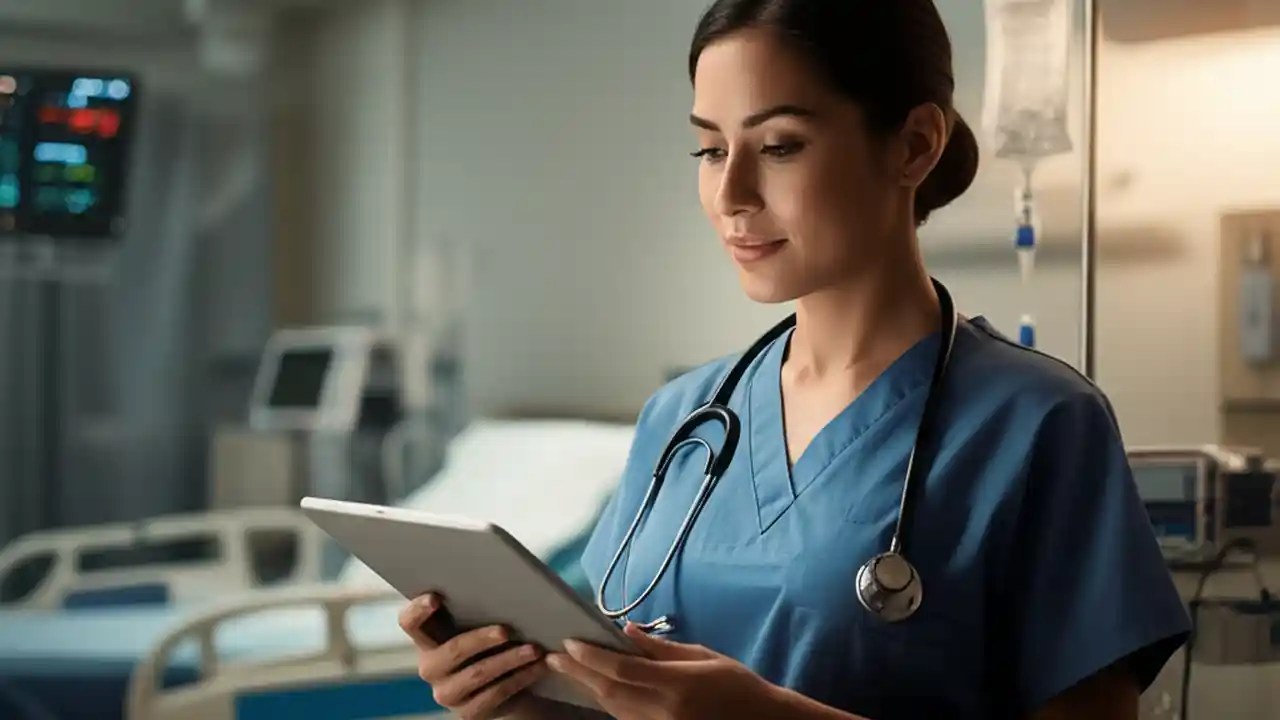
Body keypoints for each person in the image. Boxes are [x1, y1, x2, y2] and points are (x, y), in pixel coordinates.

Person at [397, 0, 1191, 718]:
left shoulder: (1037, 424)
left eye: (779, 146)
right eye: (711, 150)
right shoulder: (681, 418)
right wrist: (511, 698)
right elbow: (609, 698)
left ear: (915, 145)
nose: (732, 194)